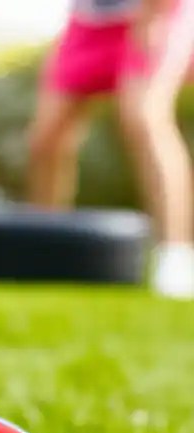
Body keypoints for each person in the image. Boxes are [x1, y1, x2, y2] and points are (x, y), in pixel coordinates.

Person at [28, 0, 194, 298]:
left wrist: (155, 14)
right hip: (89, 19)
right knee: (46, 138)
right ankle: (44, 248)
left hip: (155, 10)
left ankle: (176, 255)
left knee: (144, 117)